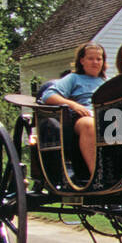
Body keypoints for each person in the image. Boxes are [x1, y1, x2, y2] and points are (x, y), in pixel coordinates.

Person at [41, 43, 106, 178]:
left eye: (99, 59)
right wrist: (73, 105)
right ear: (82, 61)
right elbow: (48, 95)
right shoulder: (73, 78)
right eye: (90, 58)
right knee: (89, 125)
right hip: (82, 118)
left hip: (105, 116)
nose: (95, 62)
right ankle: (98, 177)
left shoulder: (107, 82)